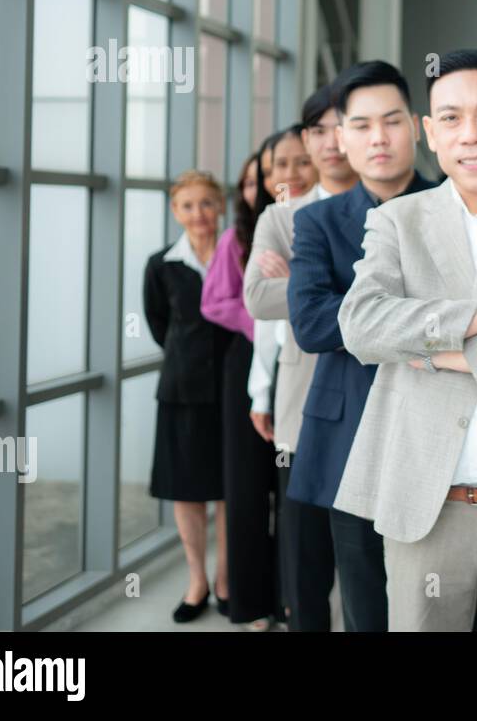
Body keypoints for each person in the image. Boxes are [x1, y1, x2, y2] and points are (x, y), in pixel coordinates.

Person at [333, 49, 477, 631]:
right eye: (452, 118)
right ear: (429, 133)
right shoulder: (398, 220)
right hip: (424, 505)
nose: (471, 135)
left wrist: (432, 356)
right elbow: (361, 323)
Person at [286, 61, 436, 632]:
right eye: (363, 125)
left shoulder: (450, 203)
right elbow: (311, 324)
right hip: (349, 433)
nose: (379, 138)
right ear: (341, 137)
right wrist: (426, 320)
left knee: (440, 601)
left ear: (416, 128)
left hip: (436, 428)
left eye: (393, 122)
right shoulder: (319, 221)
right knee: (365, 602)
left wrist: (371, 318)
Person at [243, 86, 358, 631]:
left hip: (382, 406)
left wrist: (304, 285)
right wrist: (340, 297)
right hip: (302, 410)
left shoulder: (396, 208)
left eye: (341, 126)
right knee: (305, 568)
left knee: (371, 571)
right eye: (317, 131)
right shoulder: (281, 218)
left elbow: (413, 304)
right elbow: (256, 298)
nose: (330, 141)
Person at [201, 132, 311, 629]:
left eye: (296, 162)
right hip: (254, 371)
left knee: (294, 502)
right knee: (247, 494)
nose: (282, 176)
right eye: (270, 170)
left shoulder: (315, 220)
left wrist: (285, 290)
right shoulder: (248, 232)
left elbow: (282, 302)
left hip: (297, 370)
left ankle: (292, 601)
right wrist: (268, 302)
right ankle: (253, 603)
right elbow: (245, 306)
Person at [143, 169, 234, 623]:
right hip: (180, 394)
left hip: (232, 392)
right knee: (187, 491)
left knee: (230, 490)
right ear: (174, 211)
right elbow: (160, 325)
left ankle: (226, 580)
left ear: (220, 205)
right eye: (187, 205)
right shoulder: (161, 264)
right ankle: (197, 580)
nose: (198, 214)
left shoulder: (240, 253)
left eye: (206, 203)